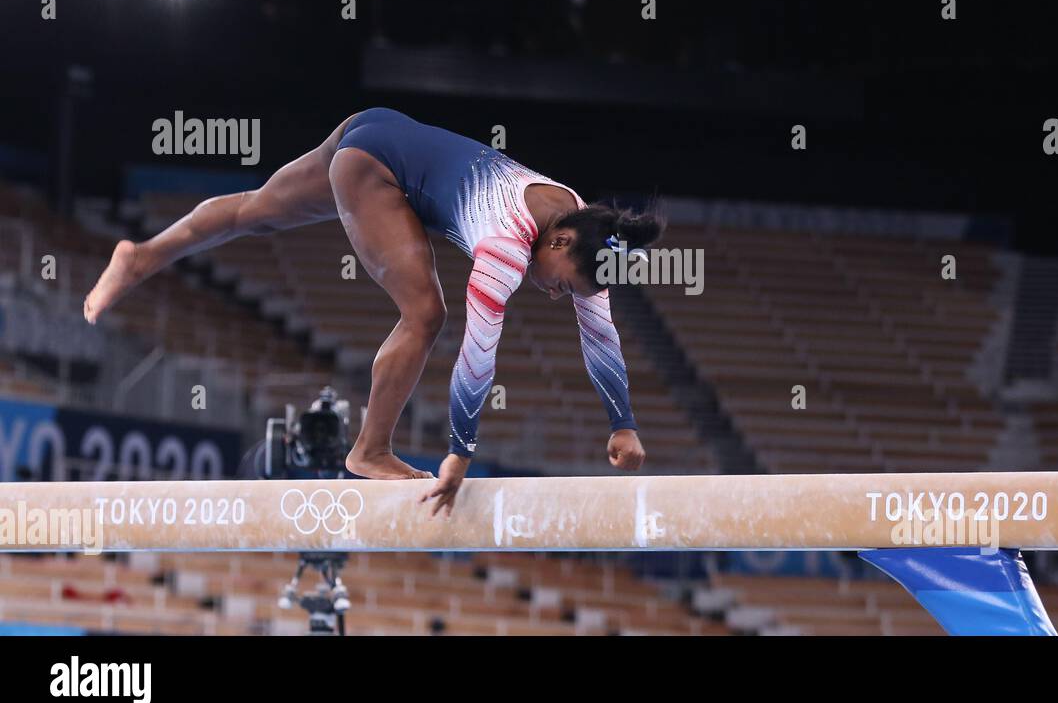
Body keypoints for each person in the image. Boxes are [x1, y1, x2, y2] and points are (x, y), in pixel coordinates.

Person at [84, 108, 662, 516]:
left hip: (375, 127)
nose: (563, 295)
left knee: (258, 210)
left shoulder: (587, 226)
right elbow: (477, 357)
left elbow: (601, 337)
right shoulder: (506, 245)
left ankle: (141, 256)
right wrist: (460, 452)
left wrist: (625, 423)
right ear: (558, 245)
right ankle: (371, 450)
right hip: (376, 168)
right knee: (425, 314)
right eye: (567, 286)